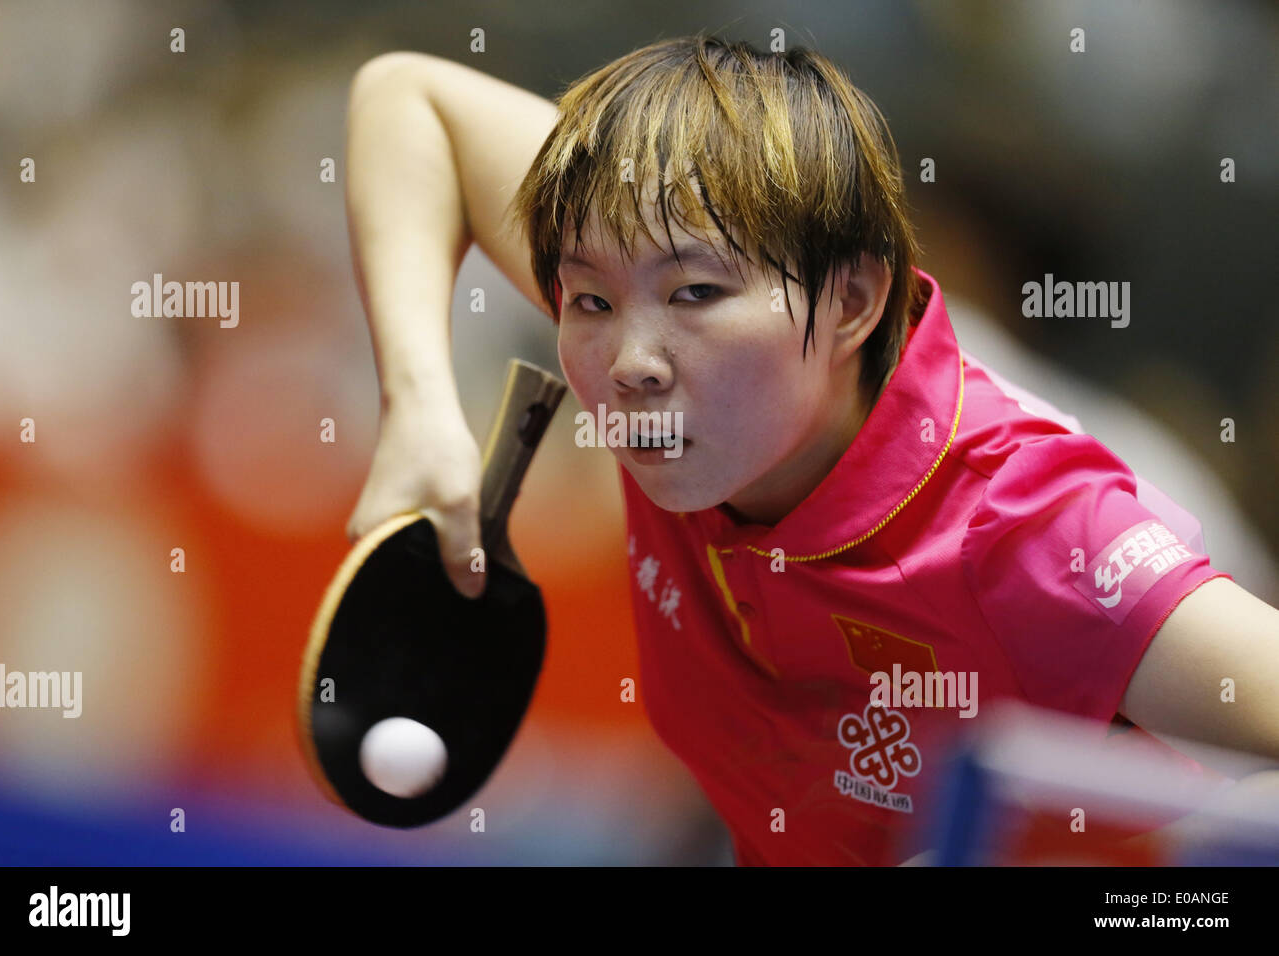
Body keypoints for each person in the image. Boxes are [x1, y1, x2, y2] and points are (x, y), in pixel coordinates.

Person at [342, 34, 1279, 865]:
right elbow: (406, 97)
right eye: (585, 301)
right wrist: (419, 409)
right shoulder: (683, 378)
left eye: (697, 293)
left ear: (853, 301)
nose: (629, 363)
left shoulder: (1032, 529)